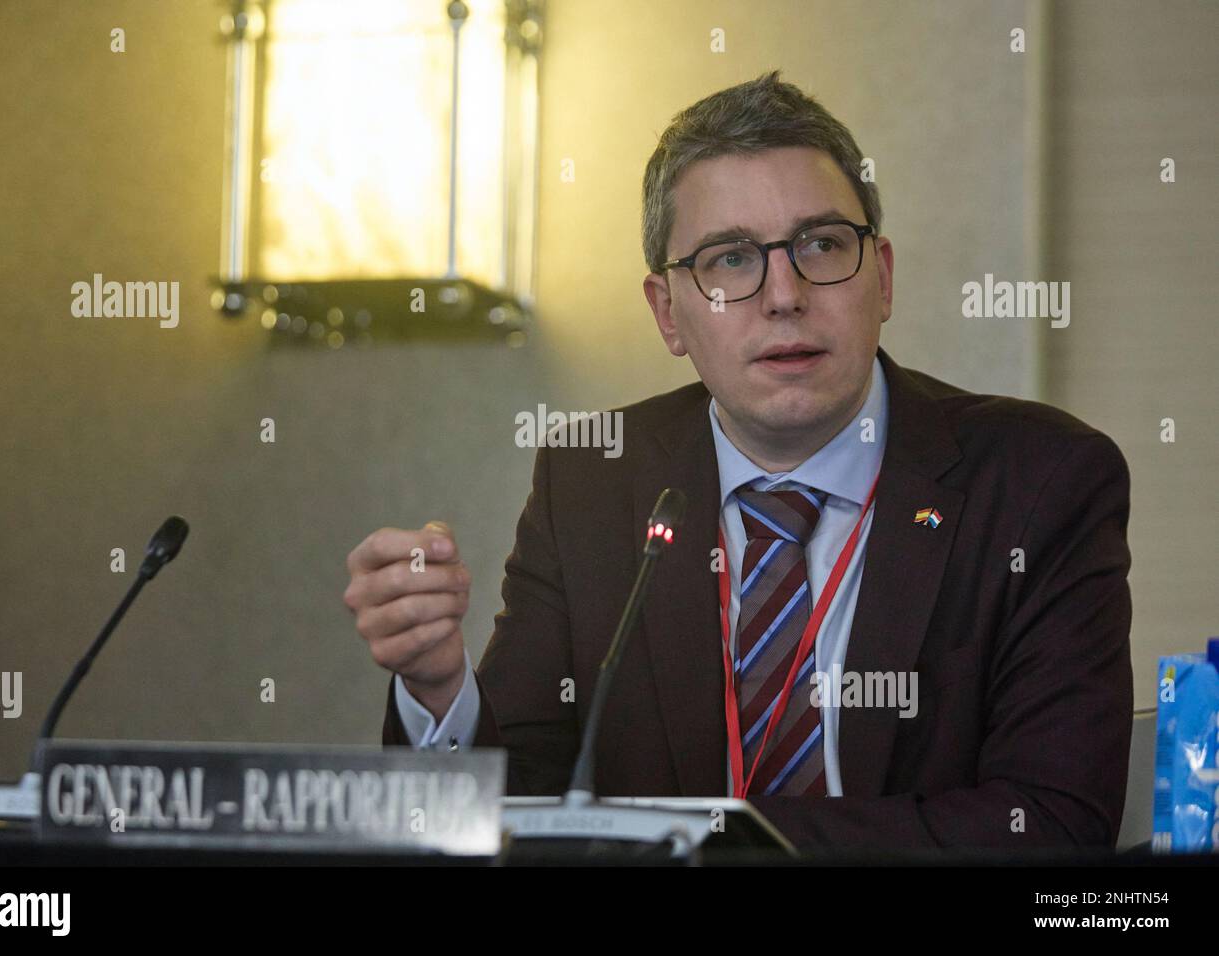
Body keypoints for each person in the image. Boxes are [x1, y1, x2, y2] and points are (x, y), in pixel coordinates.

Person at [343, 71, 1133, 851]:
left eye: (822, 244)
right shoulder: (592, 482)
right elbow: (527, 806)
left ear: (882, 277)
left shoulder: (1041, 483)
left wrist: (712, 845)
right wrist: (438, 688)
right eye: (729, 259)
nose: (784, 294)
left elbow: (1052, 823)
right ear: (668, 314)